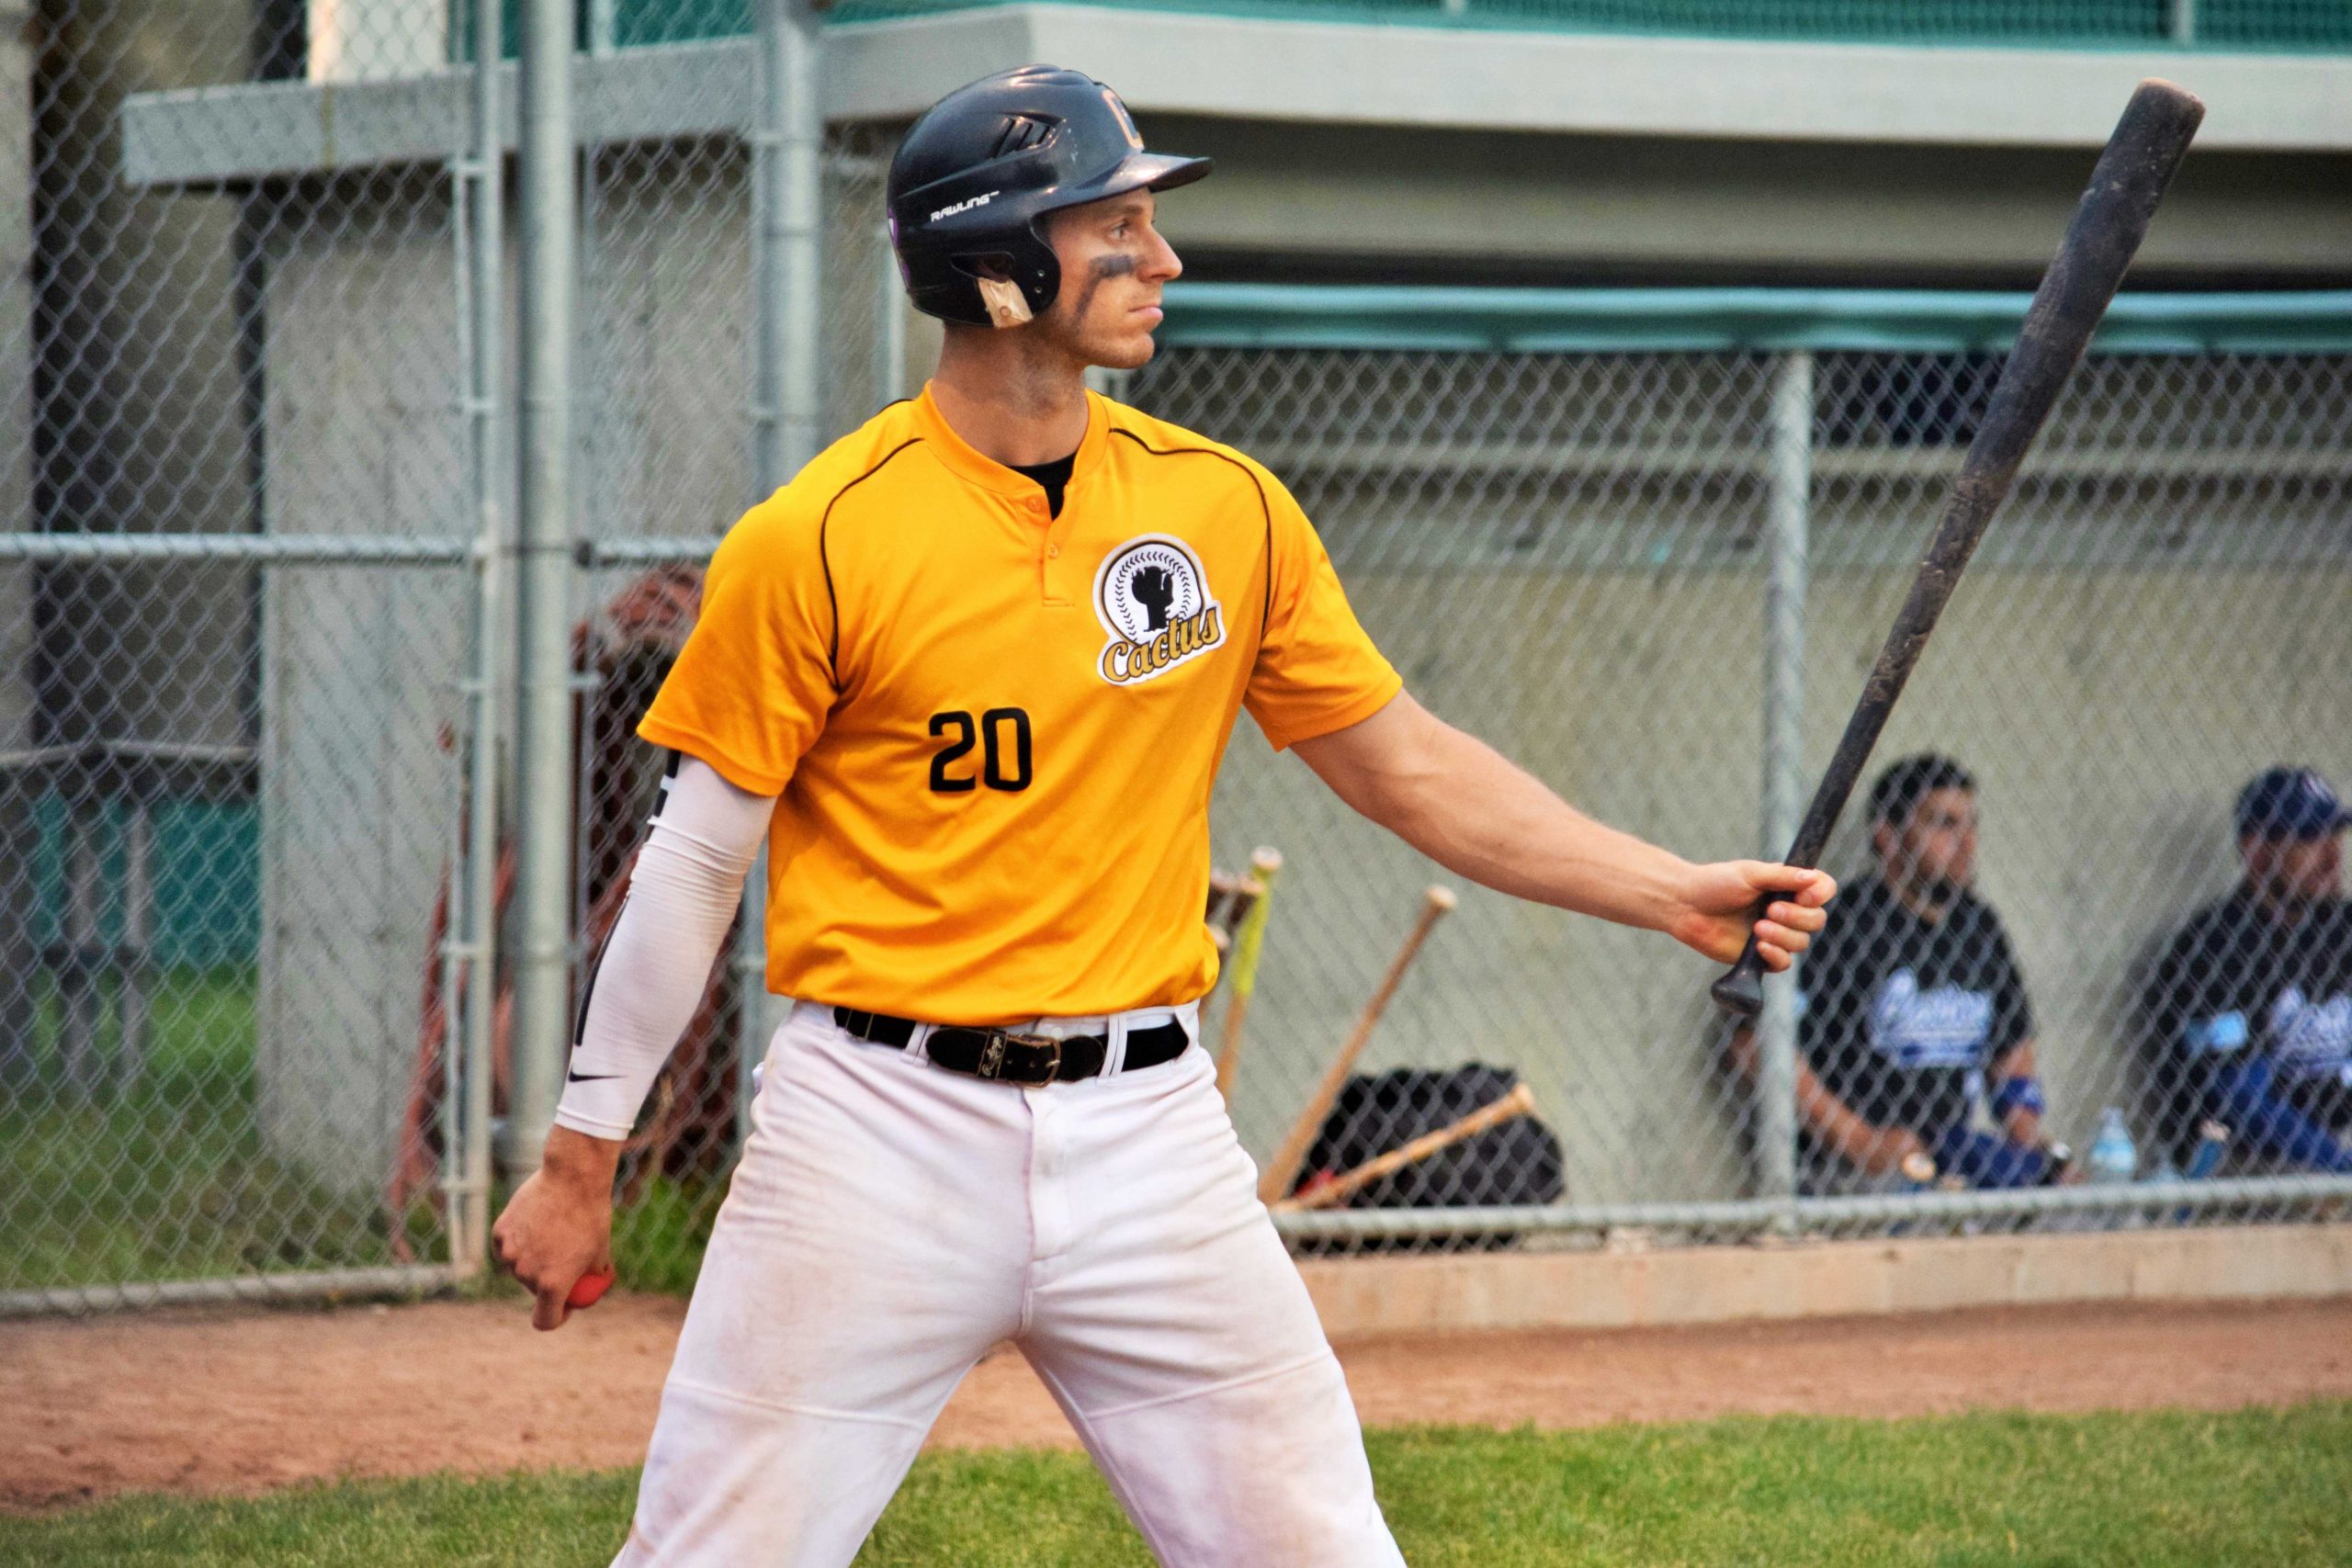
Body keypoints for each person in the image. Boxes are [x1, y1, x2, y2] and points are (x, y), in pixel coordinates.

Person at [491, 65, 1835, 1567]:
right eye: (1119, 226)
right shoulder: (814, 537)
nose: (1166, 261)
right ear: (997, 265)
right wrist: (579, 1157)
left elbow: (1411, 764)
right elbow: (694, 864)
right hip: (872, 1133)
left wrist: (1665, 890)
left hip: (1148, 1133)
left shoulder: (1224, 509)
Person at [1734, 754, 2052, 1190]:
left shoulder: (1979, 927)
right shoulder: (1838, 923)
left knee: (2061, 1189)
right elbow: (1753, 1041)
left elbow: (2012, 1052)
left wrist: (2037, 1150)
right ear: (1888, 836)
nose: (1966, 843)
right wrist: (1861, 1140)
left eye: (1970, 824)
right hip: (1846, 1168)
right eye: (1943, 824)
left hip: (1952, 1154)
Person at [2142, 766, 2352, 1175]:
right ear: (2256, 851)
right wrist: (2342, 1169)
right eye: (2309, 838)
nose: (2332, 856)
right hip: (2255, 1163)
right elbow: (2242, 1101)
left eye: (2335, 836)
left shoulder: (2342, 927)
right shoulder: (2214, 948)